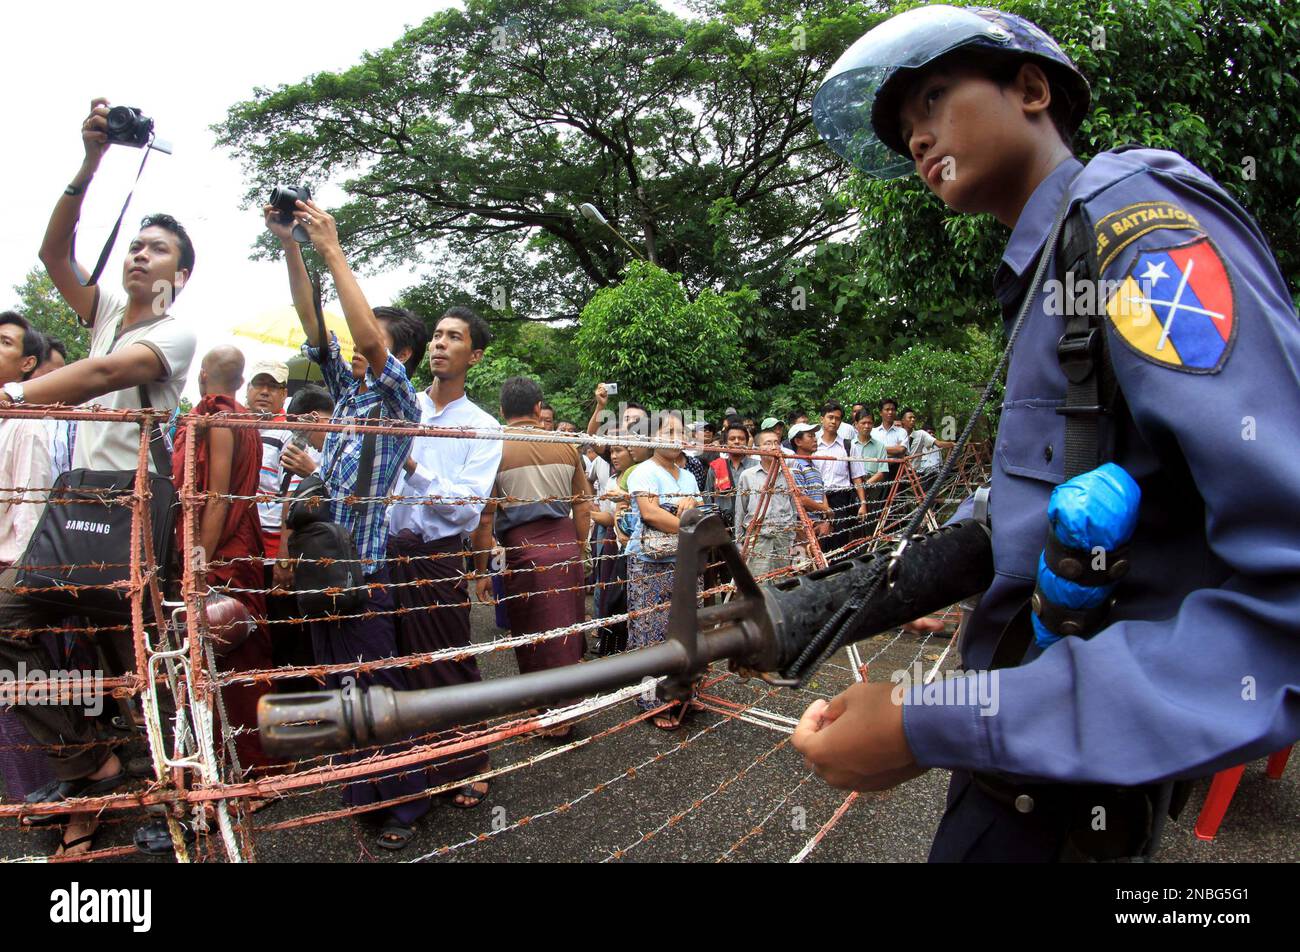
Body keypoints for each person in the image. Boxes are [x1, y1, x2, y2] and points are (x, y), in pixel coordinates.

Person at [794, 3, 1300, 863]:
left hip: (1074, 785)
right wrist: (815, 608)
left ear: (1032, 88)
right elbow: (1040, 504)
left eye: (933, 98)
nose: (916, 138)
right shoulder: (1049, 271)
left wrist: (931, 721)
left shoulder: (1130, 222)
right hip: (1026, 762)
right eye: (900, 129)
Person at [0, 98, 199, 828]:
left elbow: (98, 377)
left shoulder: (177, 334)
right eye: (137, 244)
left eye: (158, 248)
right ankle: (92, 761)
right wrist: (92, 161)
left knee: (147, 669)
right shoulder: (109, 310)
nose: (140, 252)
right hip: (74, 505)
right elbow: (55, 254)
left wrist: (13, 393)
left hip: (130, 516)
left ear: (180, 275)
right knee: (6, 621)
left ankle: (176, 800)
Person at [265, 195, 432, 850]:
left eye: (379, 339)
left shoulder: (397, 399)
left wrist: (333, 247)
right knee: (343, 689)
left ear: (403, 353)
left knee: (374, 690)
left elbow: (364, 337)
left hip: (362, 578)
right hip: (323, 573)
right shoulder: (349, 393)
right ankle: (363, 793)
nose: (362, 343)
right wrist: (290, 244)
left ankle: (404, 805)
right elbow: (315, 322)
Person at [387, 307, 501, 808]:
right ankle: (405, 773)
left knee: (447, 664)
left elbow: (467, 506)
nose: (439, 344)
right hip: (384, 556)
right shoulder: (400, 407)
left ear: (473, 355)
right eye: (435, 335)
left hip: (437, 559)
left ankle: (467, 762)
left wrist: (411, 464)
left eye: (454, 338)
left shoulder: (482, 427)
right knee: (393, 668)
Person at [170, 346, 272, 778]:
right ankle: (246, 761)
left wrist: (197, 561)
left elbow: (217, 497)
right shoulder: (246, 417)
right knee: (241, 655)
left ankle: (247, 769)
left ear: (203, 375)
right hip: (242, 542)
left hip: (221, 550)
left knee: (225, 659)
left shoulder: (217, 416)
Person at [472, 378, 591, 738]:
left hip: (523, 549)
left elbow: (487, 515)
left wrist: (480, 569)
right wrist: (579, 544)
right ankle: (565, 708)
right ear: (539, 408)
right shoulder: (566, 445)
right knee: (566, 628)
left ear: (502, 410)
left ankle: (553, 716)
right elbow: (583, 503)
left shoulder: (496, 447)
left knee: (534, 632)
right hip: (565, 544)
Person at [624, 412, 700, 729]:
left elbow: (697, 505)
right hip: (650, 560)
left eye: (678, 432)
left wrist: (690, 506)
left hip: (683, 560)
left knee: (683, 628)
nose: (673, 437)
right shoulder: (644, 472)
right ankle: (650, 700)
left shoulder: (689, 476)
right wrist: (687, 522)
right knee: (650, 631)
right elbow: (650, 514)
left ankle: (682, 692)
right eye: (666, 431)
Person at [270, 385, 333, 693]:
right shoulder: (314, 453)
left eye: (302, 429)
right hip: (317, 558)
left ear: (313, 417)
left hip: (326, 560)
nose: (302, 439)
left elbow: (292, 509)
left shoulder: (331, 450)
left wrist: (314, 471)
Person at [734, 428, 798, 579]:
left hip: (783, 538)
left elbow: (794, 508)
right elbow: (740, 510)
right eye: (768, 443)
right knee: (759, 583)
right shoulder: (748, 476)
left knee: (782, 582)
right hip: (758, 539)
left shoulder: (789, 474)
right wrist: (739, 541)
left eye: (776, 443)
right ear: (757, 450)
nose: (773, 447)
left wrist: (792, 537)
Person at [245, 358, 292, 561]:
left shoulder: (288, 433)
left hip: (269, 540)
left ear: (284, 395)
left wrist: (284, 553)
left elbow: (292, 495)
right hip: (238, 534)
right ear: (248, 389)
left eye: (273, 386)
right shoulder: (236, 425)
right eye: (259, 384)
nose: (264, 391)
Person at [813, 400, 866, 555]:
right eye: (830, 417)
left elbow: (857, 477)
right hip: (816, 498)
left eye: (837, 418)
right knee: (818, 539)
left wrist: (863, 503)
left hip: (841, 498)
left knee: (841, 540)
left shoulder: (848, 446)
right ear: (822, 419)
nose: (833, 421)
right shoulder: (813, 446)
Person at [786, 422, 831, 553]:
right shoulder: (795, 466)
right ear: (798, 441)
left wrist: (825, 520)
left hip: (818, 525)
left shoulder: (814, 467)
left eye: (814, 436)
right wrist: (827, 510)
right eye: (810, 436)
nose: (815, 439)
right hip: (803, 526)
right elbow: (801, 499)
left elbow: (821, 493)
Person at [703, 420, 756, 530]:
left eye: (741, 439)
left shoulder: (756, 467)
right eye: (732, 439)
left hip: (751, 524)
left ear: (747, 442)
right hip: (723, 526)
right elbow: (708, 497)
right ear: (726, 442)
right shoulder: (716, 467)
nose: (737, 442)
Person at [849, 407, 889, 532]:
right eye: (863, 423)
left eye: (870, 423)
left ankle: (869, 547)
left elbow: (882, 471)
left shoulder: (880, 446)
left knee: (870, 520)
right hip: (852, 486)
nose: (867, 426)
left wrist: (866, 485)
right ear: (856, 425)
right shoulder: (849, 445)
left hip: (872, 486)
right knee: (851, 522)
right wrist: (859, 486)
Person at [901, 408, 955, 497]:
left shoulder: (921, 434)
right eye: (910, 418)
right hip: (900, 472)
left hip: (915, 473)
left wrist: (953, 444)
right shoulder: (897, 434)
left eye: (914, 417)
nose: (913, 420)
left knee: (921, 494)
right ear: (903, 421)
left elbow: (939, 443)